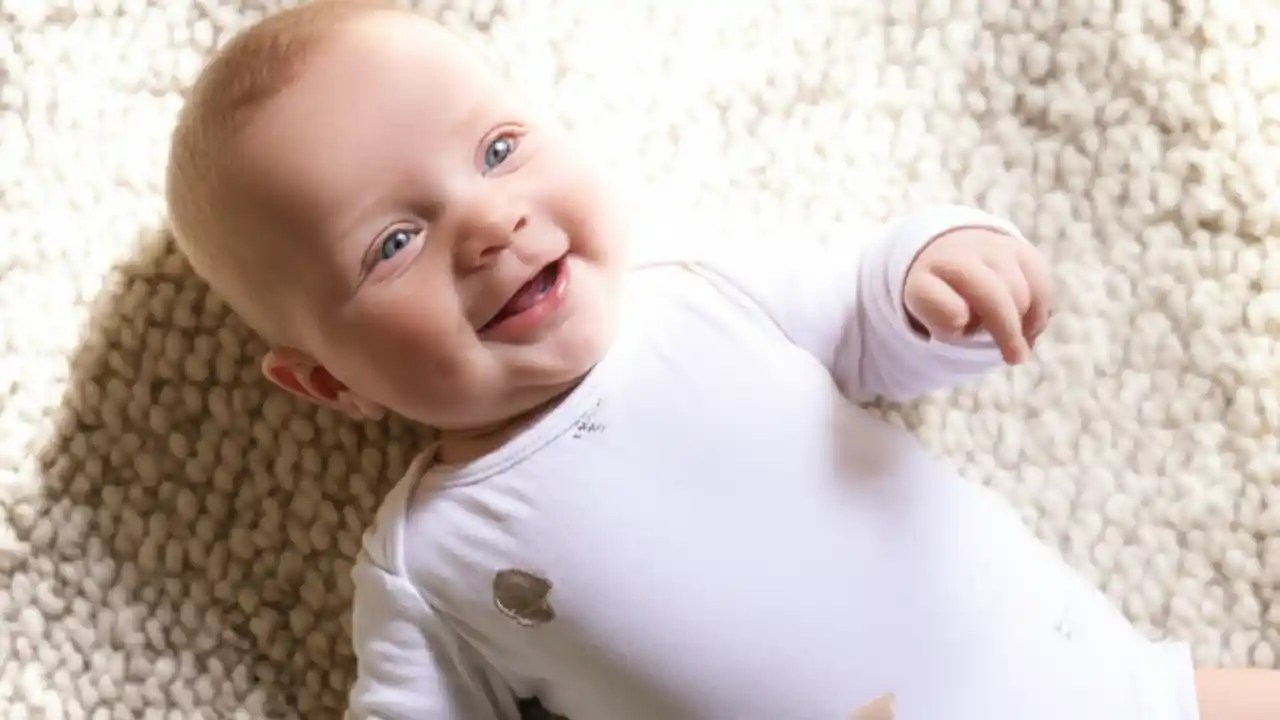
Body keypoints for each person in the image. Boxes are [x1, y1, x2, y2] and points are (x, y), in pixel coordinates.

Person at [164, 1, 1278, 718]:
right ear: (326, 382)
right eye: (393, 242)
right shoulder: (427, 563)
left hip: (1122, 696)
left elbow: (868, 315)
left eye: (499, 151)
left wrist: (937, 269)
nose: (488, 223)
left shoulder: (696, 299)